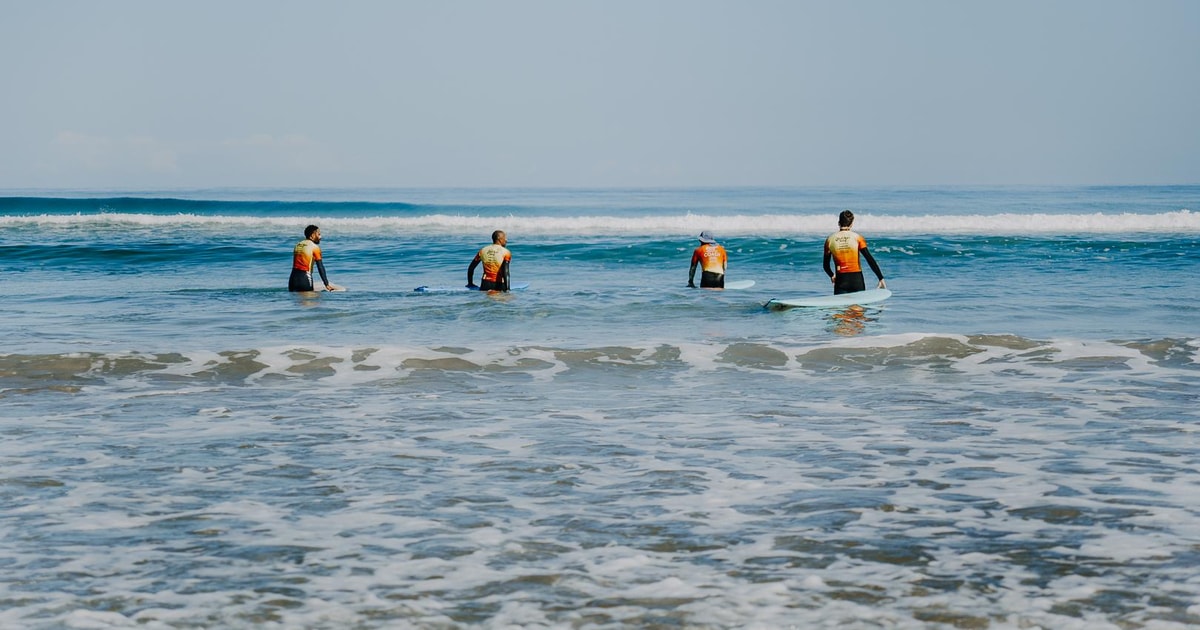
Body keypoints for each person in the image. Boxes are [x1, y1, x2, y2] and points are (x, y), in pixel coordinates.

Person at [823, 210, 886, 295]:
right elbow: (870, 259)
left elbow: (825, 265)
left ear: (839, 223)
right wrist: (880, 278)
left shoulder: (830, 240)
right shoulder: (857, 238)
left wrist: (831, 275)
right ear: (851, 224)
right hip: (857, 281)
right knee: (858, 307)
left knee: (842, 307)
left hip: (841, 281)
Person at [289, 225, 338, 292]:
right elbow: (320, 267)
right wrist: (326, 284)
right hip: (305, 279)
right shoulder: (315, 247)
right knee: (312, 301)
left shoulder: (298, 245)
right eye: (319, 234)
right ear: (312, 235)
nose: (320, 237)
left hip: (292, 280)